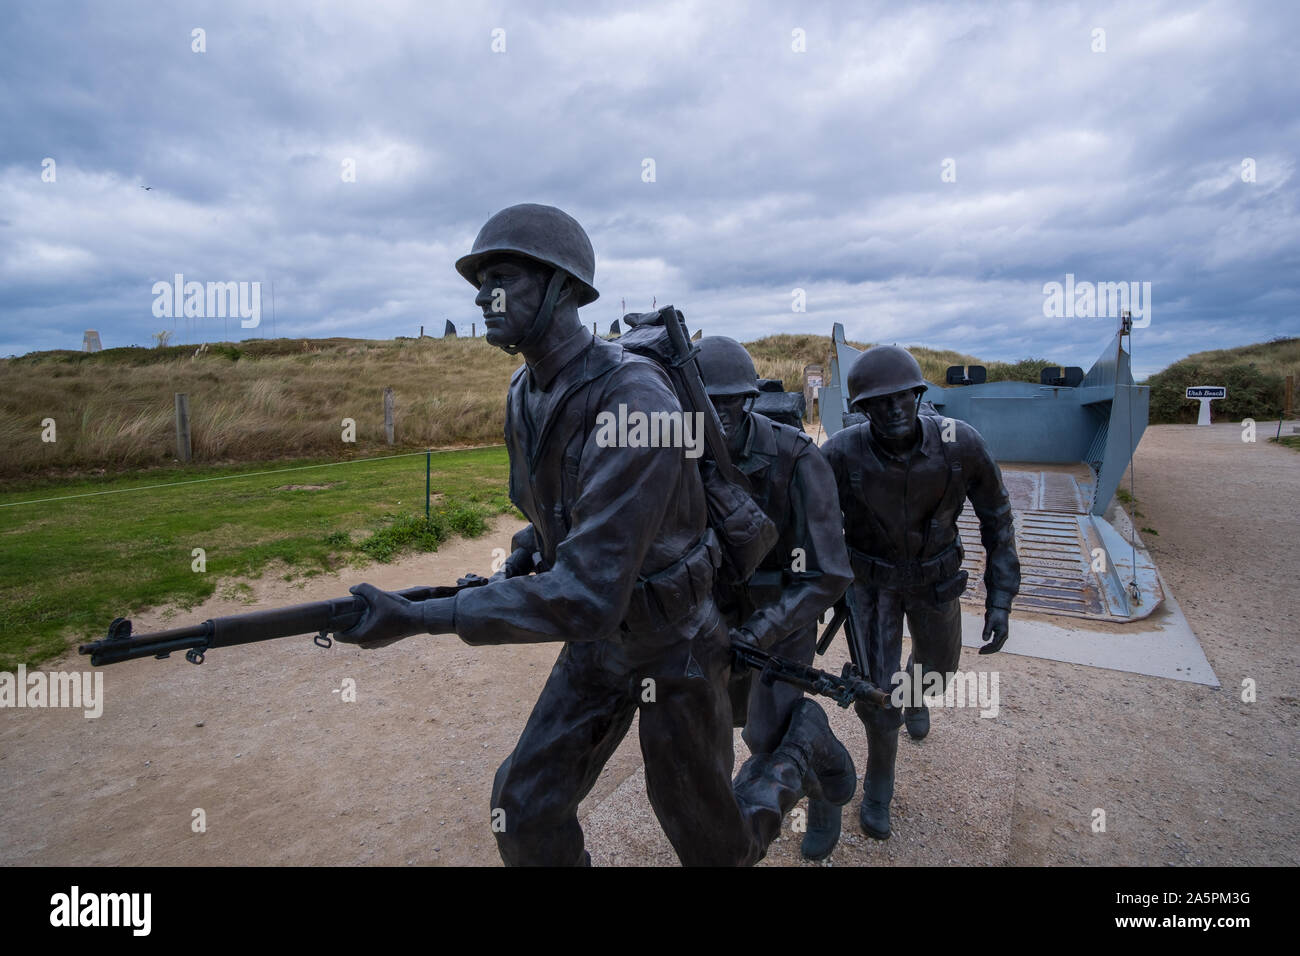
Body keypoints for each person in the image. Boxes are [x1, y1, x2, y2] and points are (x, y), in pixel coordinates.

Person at [338, 204, 854, 865]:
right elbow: (563, 520)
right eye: (478, 284)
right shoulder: (525, 392)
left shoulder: (636, 400)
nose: (482, 299)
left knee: (717, 848)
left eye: (503, 279)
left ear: (565, 289)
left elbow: (588, 592)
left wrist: (417, 616)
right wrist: (530, 552)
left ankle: (793, 758)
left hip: (676, 643)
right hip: (599, 642)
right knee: (522, 811)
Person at [821, 345, 1020, 840]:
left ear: (918, 396)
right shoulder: (841, 454)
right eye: (877, 403)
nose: (891, 411)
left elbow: (997, 518)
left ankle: (918, 697)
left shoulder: (961, 445)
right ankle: (879, 784)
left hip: (935, 581)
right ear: (861, 409)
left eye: (901, 399)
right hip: (872, 586)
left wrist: (1000, 599)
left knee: (938, 670)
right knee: (876, 692)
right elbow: (809, 526)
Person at [696, 336, 855, 861]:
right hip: (712, 616)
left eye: (731, 400)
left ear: (750, 398)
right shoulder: (677, 456)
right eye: (706, 400)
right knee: (708, 728)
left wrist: (764, 630)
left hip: (782, 614)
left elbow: (829, 573)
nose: (719, 413)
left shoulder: (796, 457)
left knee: (767, 734)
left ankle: (829, 780)